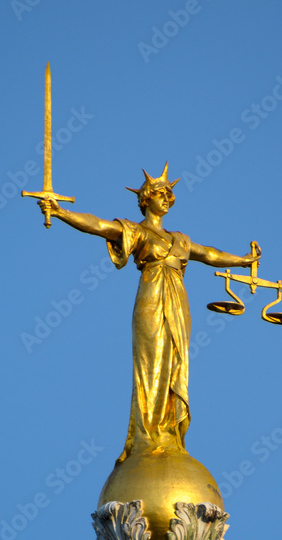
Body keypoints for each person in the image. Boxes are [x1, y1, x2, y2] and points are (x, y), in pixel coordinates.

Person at [39, 164, 259, 463]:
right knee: (151, 361)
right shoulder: (137, 231)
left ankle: (169, 431)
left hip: (178, 301)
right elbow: (98, 225)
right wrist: (61, 212)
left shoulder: (180, 240)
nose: (167, 198)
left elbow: (209, 254)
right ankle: (147, 435)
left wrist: (242, 261)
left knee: (175, 361)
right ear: (145, 199)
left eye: (170, 195)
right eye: (161, 193)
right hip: (151, 298)